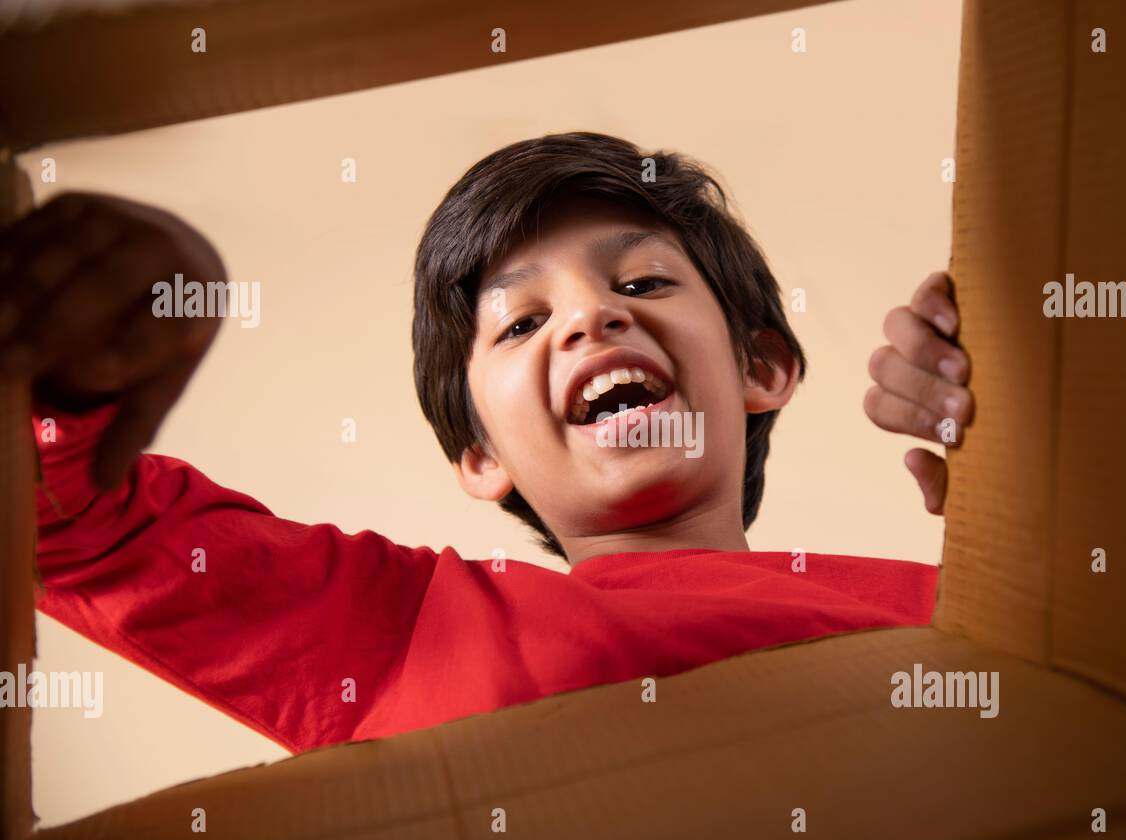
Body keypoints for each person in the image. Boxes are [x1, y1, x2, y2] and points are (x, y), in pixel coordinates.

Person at [0, 132, 973, 753]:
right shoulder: (406, 631)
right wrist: (89, 352)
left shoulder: (951, 599)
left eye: (641, 284)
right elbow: (65, 528)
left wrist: (1024, 474)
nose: (590, 318)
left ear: (762, 365)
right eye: (518, 323)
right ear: (480, 455)